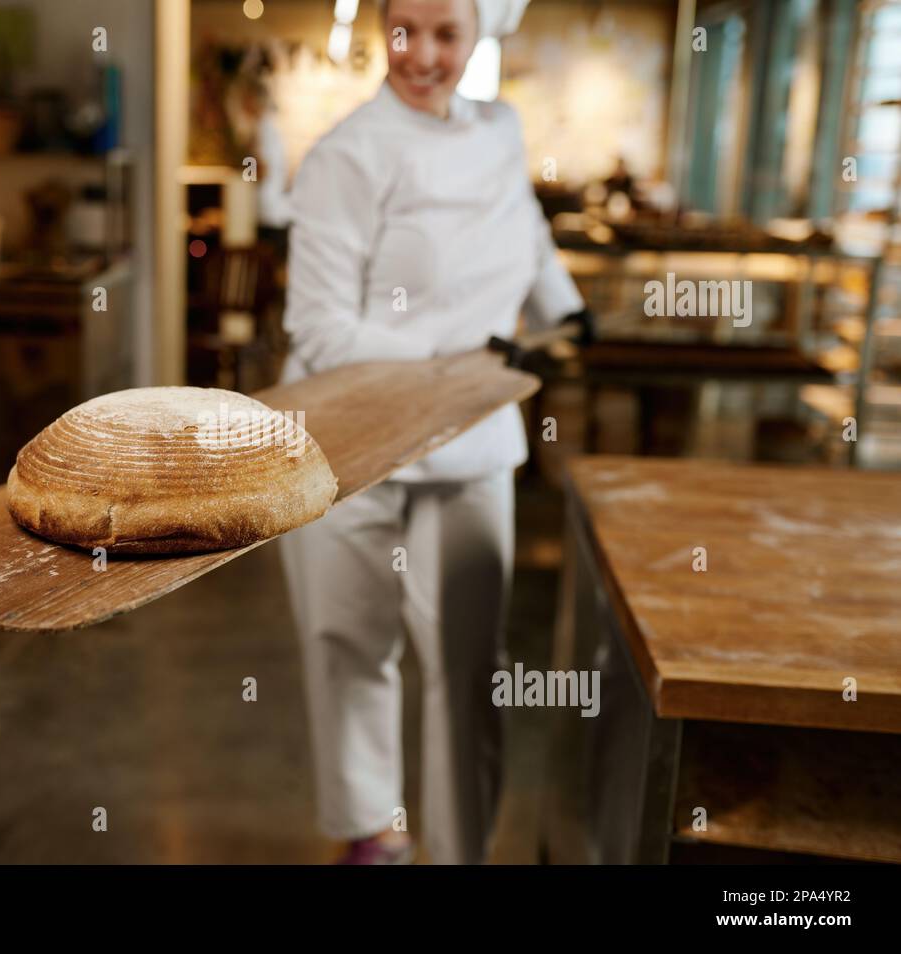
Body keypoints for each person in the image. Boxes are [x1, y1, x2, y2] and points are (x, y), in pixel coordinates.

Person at [278, 0, 593, 865]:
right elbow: (319, 329)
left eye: (445, 33)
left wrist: (564, 305)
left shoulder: (500, 130)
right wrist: (456, 355)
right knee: (348, 648)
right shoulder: (348, 154)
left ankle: (459, 854)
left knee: (466, 672)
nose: (421, 54)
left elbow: (523, 230)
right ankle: (375, 836)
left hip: (472, 446)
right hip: (351, 445)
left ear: (480, 33)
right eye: (403, 29)